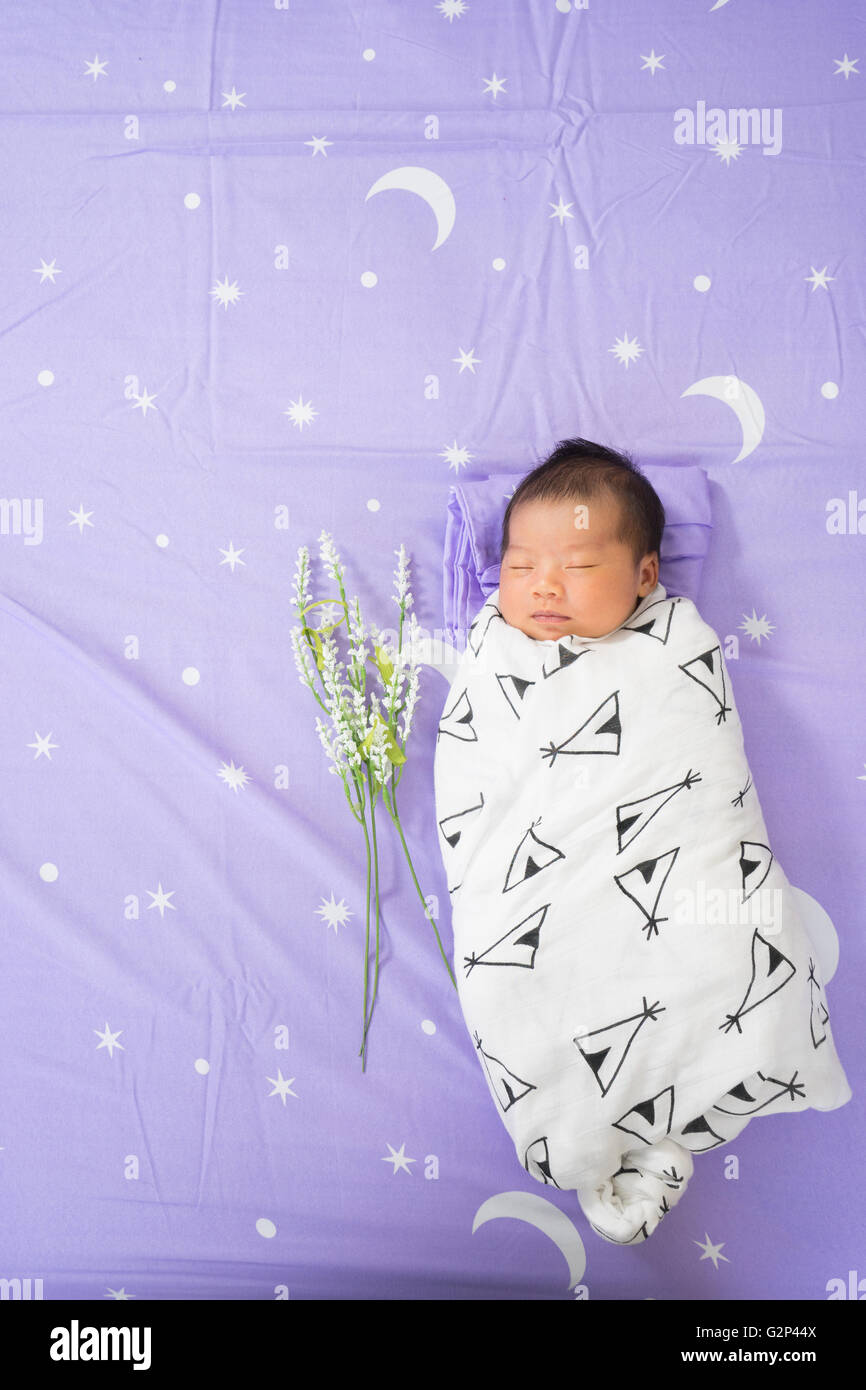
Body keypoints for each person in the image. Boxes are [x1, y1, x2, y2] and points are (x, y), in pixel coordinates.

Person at [497, 438, 662, 642]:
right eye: (521, 566)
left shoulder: (671, 643)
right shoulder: (494, 640)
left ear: (645, 576)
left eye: (580, 566)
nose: (545, 587)